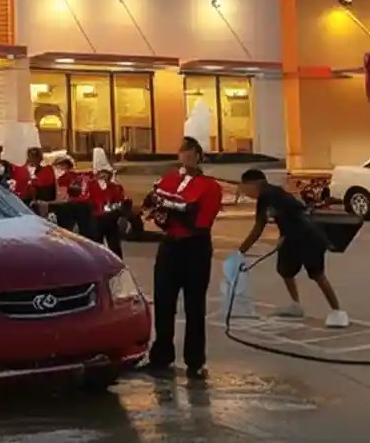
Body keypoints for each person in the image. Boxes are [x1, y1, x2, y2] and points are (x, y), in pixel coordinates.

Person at [143, 137, 224, 380]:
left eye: (190, 152)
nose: (185, 156)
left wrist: (174, 211)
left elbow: (201, 223)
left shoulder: (209, 186)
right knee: (163, 302)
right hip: (170, 245)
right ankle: (161, 356)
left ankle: (195, 361)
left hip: (194, 248)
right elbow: (153, 203)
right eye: (182, 152)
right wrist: (162, 213)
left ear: (199, 156)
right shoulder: (170, 178)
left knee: (194, 306)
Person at [237, 169, 349, 328]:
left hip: (309, 237)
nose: (245, 191)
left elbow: (260, 227)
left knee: (317, 275)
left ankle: (337, 311)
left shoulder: (269, 195)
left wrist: (241, 251)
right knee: (285, 271)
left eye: (245, 187)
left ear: (254, 183)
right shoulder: (271, 194)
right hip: (290, 238)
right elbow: (273, 220)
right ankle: (296, 305)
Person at [87, 148, 128, 257]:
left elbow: (120, 201)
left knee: (114, 247)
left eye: (105, 173)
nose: (103, 176)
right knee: (96, 248)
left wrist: (116, 209)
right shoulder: (90, 185)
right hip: (96, 220)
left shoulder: (115, 187)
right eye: (101, 173)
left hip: (111, 219)